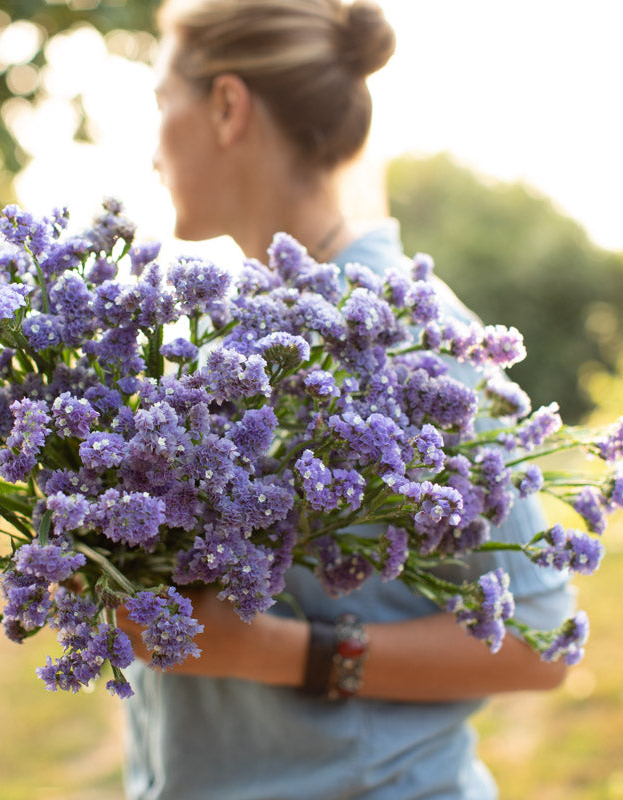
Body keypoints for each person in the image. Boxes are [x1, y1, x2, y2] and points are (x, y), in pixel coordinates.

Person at [118, 1, 575, 797]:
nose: (152, 149)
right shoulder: (225, 347)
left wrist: (277, 651)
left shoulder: (420, 345)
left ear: (227, 107)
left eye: (161, 103)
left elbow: (544, 641)